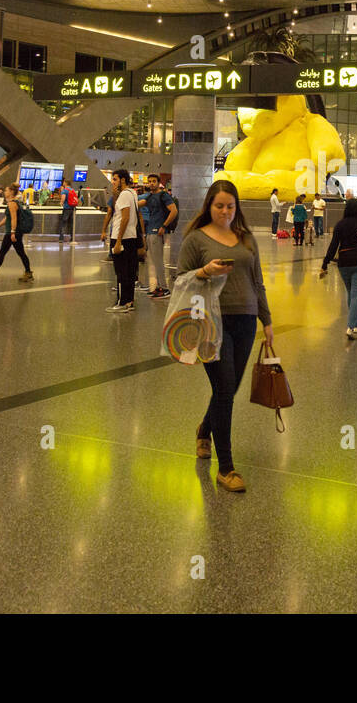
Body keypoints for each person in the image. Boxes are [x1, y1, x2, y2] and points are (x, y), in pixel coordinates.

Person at [177, 180, 273, 493]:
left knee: (227, 388)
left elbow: (257, 282)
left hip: (244, 320)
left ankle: (205, 429)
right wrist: (204, 272)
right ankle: (226, 467)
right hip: (209, 321)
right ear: (209, 206)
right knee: (223, 388)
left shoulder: (245, 238)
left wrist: (267, 321)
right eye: (219, 206)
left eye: (230, 206)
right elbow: (179, 280)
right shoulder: (195, 238)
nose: (225, 212)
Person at [321, 196, 357, 338]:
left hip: (344, 263)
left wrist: (325, 263)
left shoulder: (340, 225)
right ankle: (351, 326)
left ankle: (355, 325)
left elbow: (333, 245)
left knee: (351, 294)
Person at [106, 170, 141, 313]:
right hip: (131, 237)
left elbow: (125, 218)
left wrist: (118, 241)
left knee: (121, 271)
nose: (113, 182)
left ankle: (121, 302)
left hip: (122, 238)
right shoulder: (132, 194)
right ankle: (129, 302)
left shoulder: (124, 195)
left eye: (115, 179)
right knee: (130, 271)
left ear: (123, 180)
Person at [138, 173, 178, 299]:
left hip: (157, 231)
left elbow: (174, 211)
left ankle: (164, 288)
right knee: (154, 261)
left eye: (154, 181)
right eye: (149, 181)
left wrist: (164, 226)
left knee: (158, 261)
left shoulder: (163, 195)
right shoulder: (150, 197)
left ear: (158, 182)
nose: (151, 183)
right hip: (150, 231)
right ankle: (159, 287)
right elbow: (139, 203)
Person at [0, 185, 34, 283]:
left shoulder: (12, 204)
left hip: (12, 233)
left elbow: (14, 218)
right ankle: (28, 272)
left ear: (11, 192)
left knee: (4, 253)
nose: (4, 192)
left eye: (6, 190)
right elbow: (8, 218)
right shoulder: (16, 202)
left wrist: (12, 232)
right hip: (15, 232)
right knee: (19, 253)